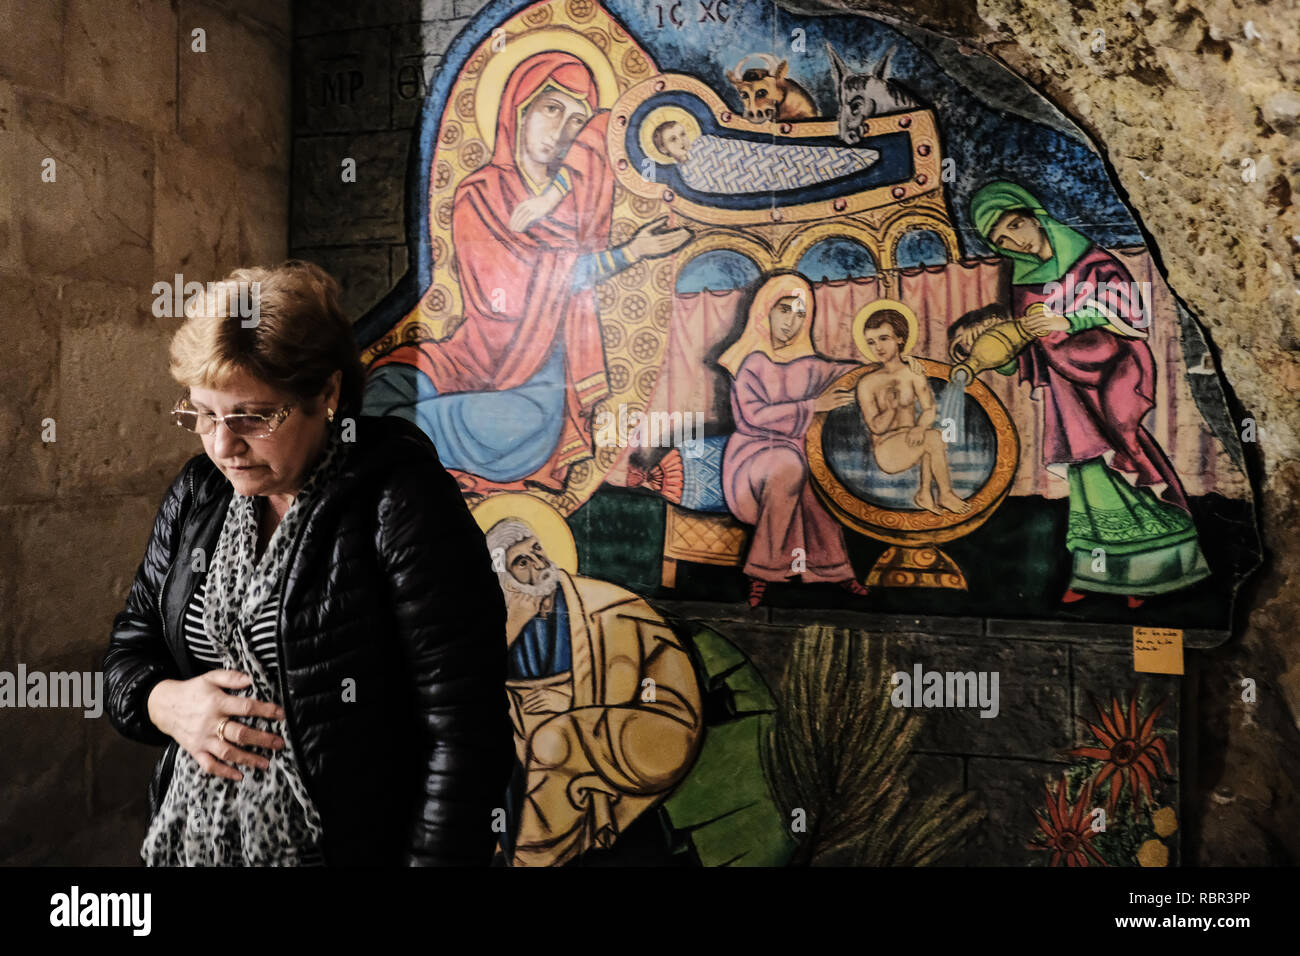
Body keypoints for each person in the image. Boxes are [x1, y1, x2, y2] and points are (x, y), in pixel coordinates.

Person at [103, 261, 513, 866]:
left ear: (327, 394)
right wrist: (167, 703)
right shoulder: (198, 495)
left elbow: (463, 730)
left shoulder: (401, 501)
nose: (222, 445)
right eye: (205, 415)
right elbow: (127, 655)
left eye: (252, 416)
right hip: (192, 841)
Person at [362, 52, 689, 496]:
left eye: (576, 120)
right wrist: (627, 252)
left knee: (509, 427)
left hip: (537, 385)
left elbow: (609, 124)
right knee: (383, 385)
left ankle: (390, 451)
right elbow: (507, 299)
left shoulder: (578, 209)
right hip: (477, 354)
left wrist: (628, 246)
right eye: (552, 108)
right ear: (518, 108)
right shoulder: (479, 194)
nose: (562, 130)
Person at [969, 181, 1211, 607]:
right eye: (1001, 240)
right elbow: (1030, 344)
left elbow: (1130, 312)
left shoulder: (1094, 261)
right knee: (1086, 478)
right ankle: (1096, 574)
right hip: (1066, 395)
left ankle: (1155, 571)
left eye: (1015, 225)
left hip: (1109, 377)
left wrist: (1069, 323)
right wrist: (1003, 353)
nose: (1014, 241)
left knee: (1127, 464)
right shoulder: (1022, 283)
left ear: (1034, 214)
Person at [483, 516, 702, 866]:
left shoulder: (606, 608)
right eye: (521, 562)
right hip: (541, 714)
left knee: (553, 741)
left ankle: (535, 857)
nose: (539, 564)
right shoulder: (501, 612)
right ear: (503, 574)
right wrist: (515, 622)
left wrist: (571, 699)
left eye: (537, 550)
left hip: (644, 717)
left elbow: (632, 685)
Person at [719, 272, 871, 607]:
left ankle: (834, 569)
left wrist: (887, 368)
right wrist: (812, 406)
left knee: (814, 472)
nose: (791, 322)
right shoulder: (751, 363)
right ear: (764, 311)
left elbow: (852, 374)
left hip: (799, 454)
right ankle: (761, 572)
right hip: (752, 456)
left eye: (800, 313)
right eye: (784, 310)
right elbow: (754, 417)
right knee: (788, 467)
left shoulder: (812, 365)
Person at [856, 309, 969, 515]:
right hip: (886, 451)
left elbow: (929, 409)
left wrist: (919, 427)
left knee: (930, 437)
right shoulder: (867, 383)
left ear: (899, 338)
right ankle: (944, 494)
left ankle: (924, 493)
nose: (878, 347)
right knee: (933, 438)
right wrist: (890, 409)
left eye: (883, 338)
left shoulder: (913, 374)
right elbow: (875, 427)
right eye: (871, 342)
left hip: (913, 440)